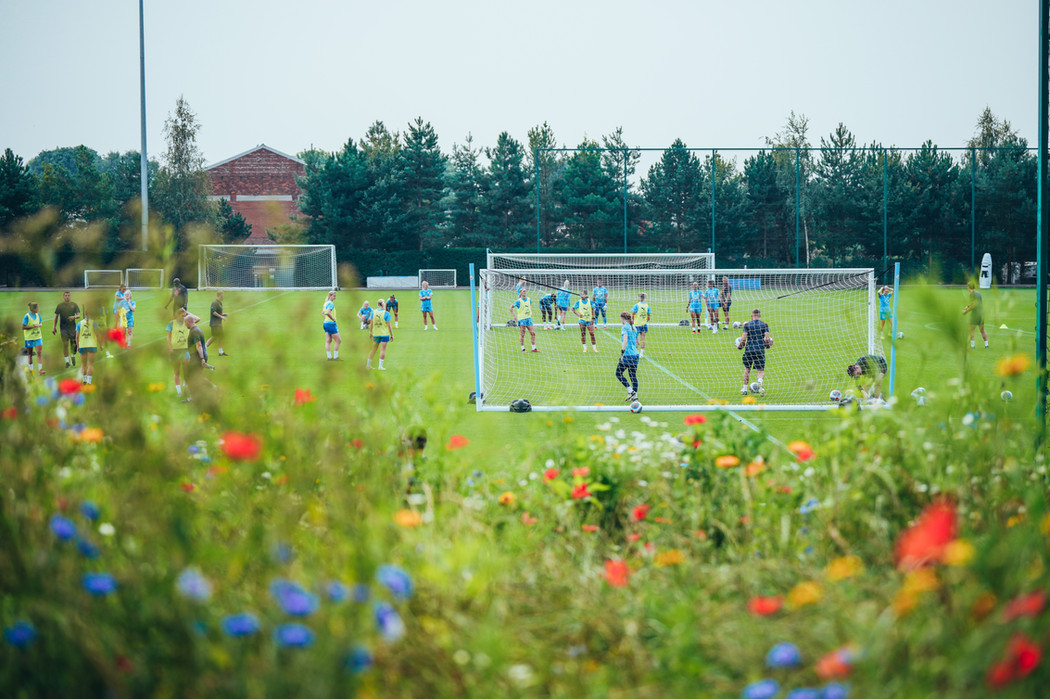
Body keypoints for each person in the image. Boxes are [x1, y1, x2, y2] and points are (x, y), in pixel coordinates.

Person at [739, 308, 771, 396]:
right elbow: (767, 339)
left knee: (747, 369)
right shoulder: (764, 325)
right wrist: (768, 345)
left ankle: (744, 390)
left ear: (751, 315)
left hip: (749, 350)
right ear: (760, 316)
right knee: (760, 371)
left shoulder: (747, 325)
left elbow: (743, 339)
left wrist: (740, 346)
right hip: (760, 350)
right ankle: (760, 382)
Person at [184, 313, 214, 401]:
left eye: (185, 323)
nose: (185, 325)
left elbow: (199, 345)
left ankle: (193, 396)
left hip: (197, 358)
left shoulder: (194, 332)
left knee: (191, 377)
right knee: (197, 377)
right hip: (197, 357)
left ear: (189, 322)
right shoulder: (195, 329)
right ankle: (213, 388)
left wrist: (202, 359)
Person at [166, 308, 193, 397]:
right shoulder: (171, 323)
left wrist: (187, 312)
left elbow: (197, 319)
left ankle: (185, 386)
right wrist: (170, 348)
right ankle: (179, 392)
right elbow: (168, 337)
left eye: (185, 315)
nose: (184, 316)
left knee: (186, 369)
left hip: (185, 349)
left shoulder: (187, 322)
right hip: (175, 350)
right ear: (177, 315)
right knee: (176, 371)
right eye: (182, 315)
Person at [616, 311, 641, 402]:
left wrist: (622, 353)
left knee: (618, 373)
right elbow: (637, 343)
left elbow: (625, 341)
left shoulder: (625, 327)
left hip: (628, 355)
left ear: (623, 319)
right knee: (633, 376)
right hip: (635, 355)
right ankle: (635, 397)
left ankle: (631, 391)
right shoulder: (634, 327)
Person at [53, 290, 81, 368]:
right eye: (65, 295)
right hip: (63, 328)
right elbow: (56, 317)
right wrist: (54, 327)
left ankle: (72, 356)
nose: (67, 297)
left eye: (68, 295)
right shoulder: (60, 306)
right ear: (63, 296)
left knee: (73, 345)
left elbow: (78, 315)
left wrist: (74, 317)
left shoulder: (74, 305)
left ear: (70, 296)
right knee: (65, 344)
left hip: (72, 328)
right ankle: (67, 362)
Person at [75, 306, 102, 385]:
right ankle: (89, 382)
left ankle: (84, 380)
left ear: (85, 314)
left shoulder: (79, 323)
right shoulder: (94, 323)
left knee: (83, 365)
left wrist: (77, 346)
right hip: (92, 346)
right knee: (90, 365)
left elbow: (77, 337)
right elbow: (98, 335)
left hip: (82, 346)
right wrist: (100, 345)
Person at [367, 299, 394, 370]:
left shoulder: (373, 312)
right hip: (384, 334)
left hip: (376, 334)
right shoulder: (386, 313)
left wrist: (370, 332)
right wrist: (392, 335)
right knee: (382, 350)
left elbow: (371, 323)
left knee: (373, 350)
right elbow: (389, 325)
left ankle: (368, 365)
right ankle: (380, 366)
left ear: (378, 304)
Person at [963, 282, 988, 348]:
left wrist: (966, 311)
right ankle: (986, 345)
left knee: (971, 330)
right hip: (981, 314)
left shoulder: (971, 294)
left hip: (975, 315)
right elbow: (976, 303)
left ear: (969, 287)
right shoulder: (978, 293)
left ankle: (972, 346)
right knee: (982, 330)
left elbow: (973, 306)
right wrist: (968, 306)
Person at [22, 302, 45, 375]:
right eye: (37, 307)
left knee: (39, 353)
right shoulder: (27, 316)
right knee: (30, 355)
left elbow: (40, 322)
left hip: (38, 337)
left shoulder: (38, 315)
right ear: (33, 309)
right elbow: (23, 327)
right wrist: (32, 326)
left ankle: (40, 370)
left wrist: (39, 325)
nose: (38, 309)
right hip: (29, 338)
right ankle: (31, 371)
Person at [206, 290, 229, 356]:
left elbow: (219, 312)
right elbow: (213, 312)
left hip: (218, 323)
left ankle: (221, 352)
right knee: (214, 337)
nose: (224, 297)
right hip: (214, 323)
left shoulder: (220, 303)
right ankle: (204, 348)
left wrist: (223, 314)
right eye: (223, 295)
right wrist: (221, 317)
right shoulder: (214, 303)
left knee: (220, 337)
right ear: (220, 296)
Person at [322, 290, 341, 360]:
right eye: (334, 296)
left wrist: (327, 318)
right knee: (338, 340)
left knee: (328, 341)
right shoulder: (330, 304)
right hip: (331, 324)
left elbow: (322, 313)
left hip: (325, 323)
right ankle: (336, 357)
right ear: (330, 296)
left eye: (335, 296)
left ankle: (329, 357)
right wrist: (333, 319)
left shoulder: (325, 303)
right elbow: (327, 312)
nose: (335, 297)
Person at [631, 292, 651, 357]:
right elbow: (649, 317)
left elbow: (633, 314)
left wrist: (632, 322)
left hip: (637, 324)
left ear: (639, 298)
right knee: (643, 339)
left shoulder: (636, 305)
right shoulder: (647, 306)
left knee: (635, 339)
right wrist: (645, 320)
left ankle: (634, 352)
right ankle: (641, 354)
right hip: (644, 324)